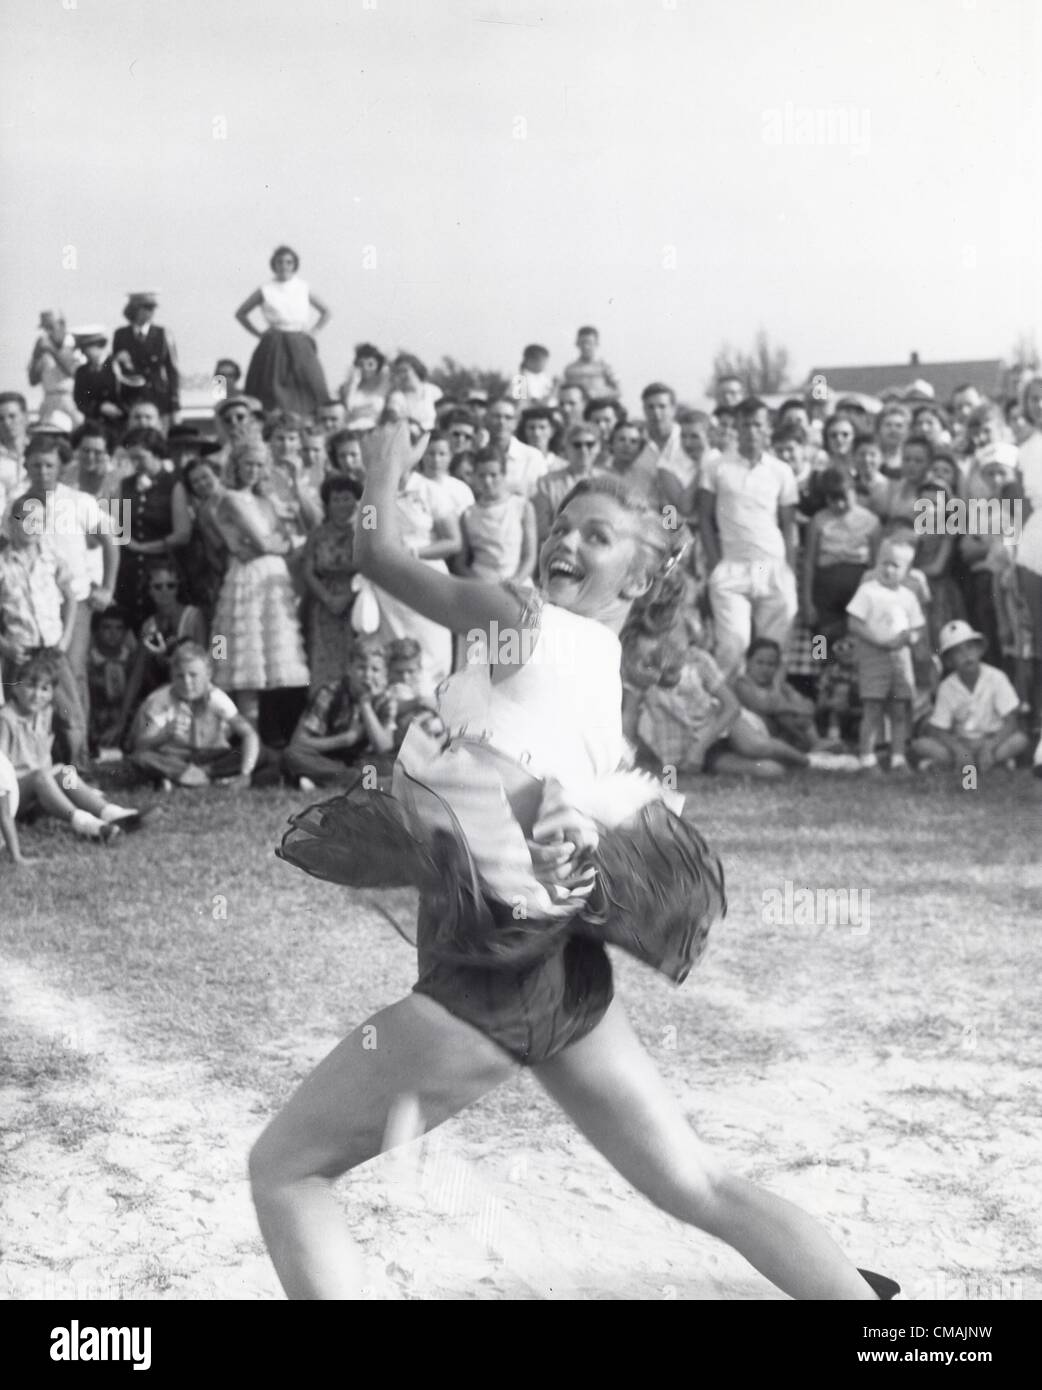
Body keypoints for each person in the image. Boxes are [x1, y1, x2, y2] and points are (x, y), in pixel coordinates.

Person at [255, 422, 896, 1303]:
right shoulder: (600, 670)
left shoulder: (511, 616)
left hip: (492, 979)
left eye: (597, 536)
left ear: (639, 577)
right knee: (694, 1183)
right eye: (563, 527)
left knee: (286, 1169)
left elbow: (376, 552)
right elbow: (530, 794)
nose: (565, 540)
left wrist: (384, 464)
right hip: (563, 973)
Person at [14, 432, 120, 743]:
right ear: (26, 466)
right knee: (32, 676)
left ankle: (78, 752)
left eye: (49, 465)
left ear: (61, 467)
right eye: (35, 465)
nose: (42, 472)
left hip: (74, 601)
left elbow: (110, 541)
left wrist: (108, 587)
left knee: (71, 672)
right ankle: (39, 749)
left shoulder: (78, 501)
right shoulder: (16, 504)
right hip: (31, 604)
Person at [698, 398, 799, 679]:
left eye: (757, 424)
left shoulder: (782, 470)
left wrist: (789, 570)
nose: (751, 431)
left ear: (768, 427)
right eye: (745, 424)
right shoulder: (717, 467)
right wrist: (716, 562)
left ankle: (770, 715)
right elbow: (704, 517)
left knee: (776, 651)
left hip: (773, 566)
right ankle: (726, 715)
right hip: (732, 566)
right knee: (732, 647)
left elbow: (789, 525)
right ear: (736, 427)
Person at [209, 447, 310, 727]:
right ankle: (247, 740)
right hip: (248, 578)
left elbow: (283, 538)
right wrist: (278, 545)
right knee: (247, 663)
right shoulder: (230, 499)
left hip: (273, 577)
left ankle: (270, 741)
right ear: (236, 466)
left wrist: (276, 544)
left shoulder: (265, 500)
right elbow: (266, 543)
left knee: (273, 661)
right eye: (247, 464)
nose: (253, 470)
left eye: (258, 464)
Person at [0, 649, 143, 842]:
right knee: (40, 777)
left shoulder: (44, 715)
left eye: (45, 689)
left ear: (52, 694)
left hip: (39, 789)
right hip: (13, 795)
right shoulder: (6, 719)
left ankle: (108, 812)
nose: (37, 695)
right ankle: (87, 824)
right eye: (30, 686)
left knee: (63, 770)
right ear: (15, 688)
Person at [0, 493, 88, 764]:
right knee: (21, 714)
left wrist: (66, 637)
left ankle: (76, 775)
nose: (30, 526)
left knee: (69, 714)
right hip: (20, 652)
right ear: (11, 523)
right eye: (24, 520)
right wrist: (5, 646)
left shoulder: (52, 559)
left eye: (37, 521)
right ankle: (21, 775)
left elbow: (71, 597)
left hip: (52, 649)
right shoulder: (2, 564)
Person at [129, 641, 276, 790]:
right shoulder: (159, 701)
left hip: (211, 757)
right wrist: (166, 734)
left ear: (207, 675)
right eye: (180, 676)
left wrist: (246, 773)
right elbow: (141, 743)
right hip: (173, 758)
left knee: (259, 751)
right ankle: (200, 778)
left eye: (193, 675)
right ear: (172, 676)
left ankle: (190, 778)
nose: (187, 682)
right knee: (141, 758)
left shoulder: (216, 697)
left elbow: (248, 733)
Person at [846, 535, 925, 774]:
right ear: (876, 562)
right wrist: (879, 639)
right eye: (884, 562)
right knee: (873, 708)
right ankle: (867, 759)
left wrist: (910, 638)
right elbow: (854, 623)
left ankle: (898, 758)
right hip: (874, 655)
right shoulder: (868, 591)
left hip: (900, 658)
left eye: (896, 565)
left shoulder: (908, 596)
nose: (888, 569)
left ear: (907, 571)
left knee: (899, 709)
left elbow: (918, 628)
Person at [282, 635, 398, 789]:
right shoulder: (330, 693)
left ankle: (321, 780)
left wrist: (365, 704)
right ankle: (360, 782)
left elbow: (384, 747)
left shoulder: (385, 698)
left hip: (365, 761)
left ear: (384, 674)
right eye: (361, 668)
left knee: (393, 762)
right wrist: (345, 739)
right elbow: (299, 742)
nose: (368, 675)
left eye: (375, 670)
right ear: (349, 669)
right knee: (291, 755)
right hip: (329, 757)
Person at [910, 620, 1028, 773]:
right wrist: (958, 749)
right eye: (958, 652)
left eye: (970, 648)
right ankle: (979, 769)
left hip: (992, 739)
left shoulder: (997, 677)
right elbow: (939, 729)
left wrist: (990, 745)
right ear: (949, 661)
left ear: (979, 650)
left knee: (1020, 740)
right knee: (921, 744)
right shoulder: (947, 687)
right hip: (963, 742)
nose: (966, 655)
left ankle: (977, 764)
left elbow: (1011, 721)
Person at [113, 559, 207, 740]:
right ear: (149, 590)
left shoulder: (194, 616)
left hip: (194, 691)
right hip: (165, 695)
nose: (165, 592)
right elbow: (137, 676)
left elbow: (205, 660)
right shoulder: (149, 625)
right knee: (145, 732)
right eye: (158, 587)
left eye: (170, 585)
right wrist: (121, 721)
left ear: (178, 587)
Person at [236, 246, 331, 416]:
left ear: (295, 265)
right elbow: (241, 313)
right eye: (280, 262)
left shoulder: (303, 287)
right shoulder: (266, 289)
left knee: (312, 384)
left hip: (300, 341)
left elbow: (326, 311)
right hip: (274, 343)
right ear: (274, 265)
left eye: (289, 262)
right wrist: (259, 333)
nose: (284, 266)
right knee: (269, 388)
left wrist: (313, 332)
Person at [113, 427, 192, 630]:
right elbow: (117, 528)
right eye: (132, 459)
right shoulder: (125, 484)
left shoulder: (174, 484)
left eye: (140, 458)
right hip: (130, 573)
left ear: (156, 453)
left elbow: (182, 534)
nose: (136, 464)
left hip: (164, 572)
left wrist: (142, 548)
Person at [801, 469, 881, 645]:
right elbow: (808, 563)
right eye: (832, 500)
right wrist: (807, 601)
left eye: (844, 498)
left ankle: (851, 670)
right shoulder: (819, 520)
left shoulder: (871, 521)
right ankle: (821, 669)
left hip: (858, 586)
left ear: (854, 492)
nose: (840, 505)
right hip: (824, 589)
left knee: (854, 637)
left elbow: (875, 564)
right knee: (820, 636)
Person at [302, 474, 362, 687]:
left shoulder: (365, 533)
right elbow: (308, 571)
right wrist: (328, 598)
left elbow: (371, 569)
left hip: (358, 601)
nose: (341, 504)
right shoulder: (317, 534)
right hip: (324, 604)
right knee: (324, 661)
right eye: (335, 499)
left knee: (356, 659)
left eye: (347, 498)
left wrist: (349, 597)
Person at [457, 450, 537, 582]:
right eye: (482, 475)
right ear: (475, 476)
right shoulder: (468, 514)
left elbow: (530, 556)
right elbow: (460, 563)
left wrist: (516, 580)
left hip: (517, 580)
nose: (487, 481)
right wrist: (477, 581)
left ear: (504, 474)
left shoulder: (522, 507)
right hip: (482, 583)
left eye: (493, 475)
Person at [532, 421, 605, 548]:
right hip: (559, 548)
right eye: (577, 445)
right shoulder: (546, 483)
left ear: (598, 447)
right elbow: (541, 529)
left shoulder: (606, 481)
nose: (583, 450)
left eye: (590, 444)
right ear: (566, 447)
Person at [111, 292, 179, 422]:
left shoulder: (163, 334)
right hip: (131, 399)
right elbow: (116, 372)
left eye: (152, 308)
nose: (151, 312)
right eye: (146, 308)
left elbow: (172, 371)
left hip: (158, 399)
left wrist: (175, 406)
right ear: (134, 309)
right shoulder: (121, 335)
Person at [86, 606, 137, 754]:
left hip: (125, 718)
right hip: (95, 720)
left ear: (125, 632)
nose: (113, 634)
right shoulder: (88, 661)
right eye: (106, 628)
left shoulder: (132, 660)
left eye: (119, 628)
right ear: (97, 632)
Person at [485, 397, 546, 498]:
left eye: (508, 417)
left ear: (516, 423)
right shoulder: (477, 453)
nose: (501, 422)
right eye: (496, 416)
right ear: (486, 419)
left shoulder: (533, 457)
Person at [28, 311, 81, 426]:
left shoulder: (75, 342)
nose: (48, 332)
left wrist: (52, 350)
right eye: (45, 328)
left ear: (62, 325)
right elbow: (33, 381)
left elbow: (72, 371)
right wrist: (36, 356)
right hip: (49, 399)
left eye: (51, 327)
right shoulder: (43, 345)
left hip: (70, 398)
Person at [416, 430, 473, 520]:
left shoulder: (462, 489)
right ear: (422, 454)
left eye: (442, 454)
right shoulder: (412, 486)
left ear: (450, 456)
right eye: (431, 453)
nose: (436, 460)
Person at [72, 329, 123, 426]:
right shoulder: (82, 371)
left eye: (85, 348)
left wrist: (119, 410)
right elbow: (79, 400)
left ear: (99, 345)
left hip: (119, 422)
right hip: (94, 424)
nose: (83, 353)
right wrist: (99, 408)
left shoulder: (118, 366)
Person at [559, 326, 620, 400]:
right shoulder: (570, 369)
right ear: (577, 343)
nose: (586, 346)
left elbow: (618, 391)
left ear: (596, 344)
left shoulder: (605, 367)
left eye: (589, 343)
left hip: (597, 407)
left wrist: (597, 394)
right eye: (583, 342)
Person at [339, 343, 389, 427]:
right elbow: (347, 408)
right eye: (361, 364)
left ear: (378, 367)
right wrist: (353, 383)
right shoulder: (347, 388)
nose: (365, 368)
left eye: (370, 365)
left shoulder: (384, 389)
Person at [389, 354, 442, 431]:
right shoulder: (397, 397)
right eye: (399, 372)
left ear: (416, 369)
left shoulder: (433, 390)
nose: (402, 375)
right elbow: (394, 420)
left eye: (405, 370)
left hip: (434, 436)